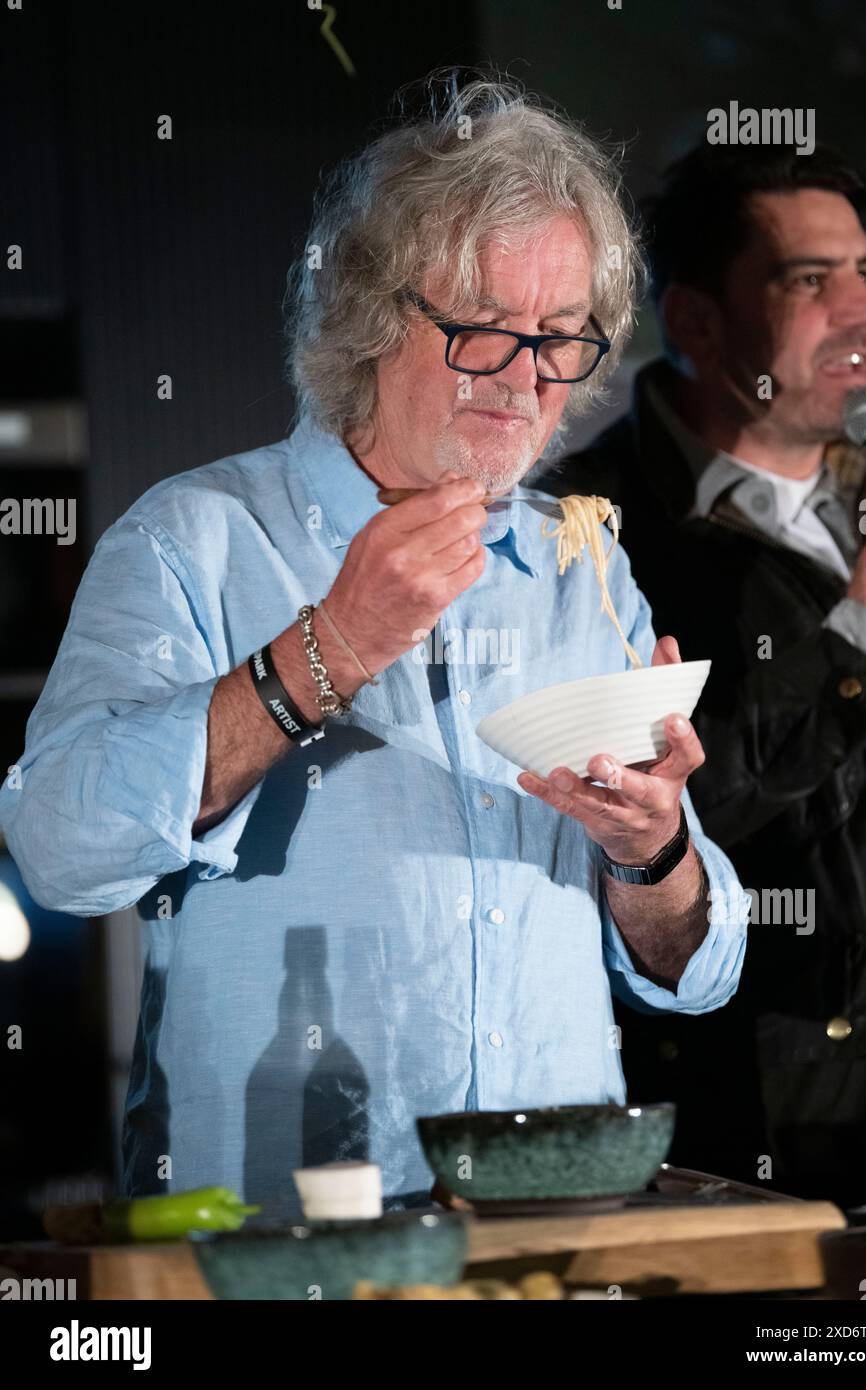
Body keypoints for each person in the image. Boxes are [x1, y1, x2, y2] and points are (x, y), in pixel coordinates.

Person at [0, 76, 747, 1216]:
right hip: (282, 1229)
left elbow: (691, 970)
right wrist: (332, 646)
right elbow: (56, 845)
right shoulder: (196, 537)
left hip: (552, 1231)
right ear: (365, 313)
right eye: (482, 326)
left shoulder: (582, 563)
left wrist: (651, 853)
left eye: (558, 339)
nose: (522, 379)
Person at [539, 142, 866, 1207]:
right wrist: (861, 651)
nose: (860, 313)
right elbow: (642, 808)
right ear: (698, 320)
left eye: (861, 272)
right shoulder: (580, 529)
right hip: (761, 1140)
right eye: (808, 280)